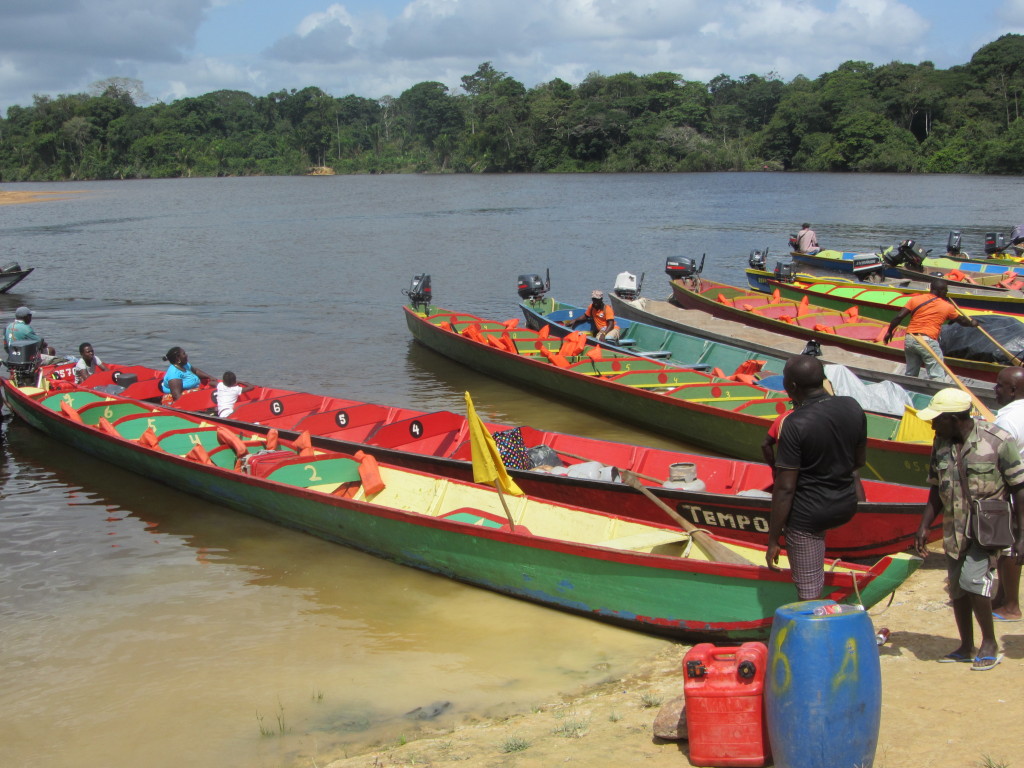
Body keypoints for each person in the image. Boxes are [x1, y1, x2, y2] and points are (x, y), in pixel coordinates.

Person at [914, 388, 1024, 670]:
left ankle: (989, 643)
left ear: (953, 418)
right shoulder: (940, 443)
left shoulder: (999, 441)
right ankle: (965, 646)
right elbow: (936, 487)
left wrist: (1021, 535)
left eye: (936, 419)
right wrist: (924, 526)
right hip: (954, 529)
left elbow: (1019, 488)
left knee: (973, 581)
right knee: (957, 588)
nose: (932, 425)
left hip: (987, 529)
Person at [766, 356, 867, 598]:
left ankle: (811, 608)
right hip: (846, 505)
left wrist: (773, 539)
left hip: (810, 515)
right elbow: (858, 462)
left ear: (791, 386)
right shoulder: (852, 406)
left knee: (809, 589)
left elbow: (785, 488)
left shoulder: (794, 424)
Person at [882, 280, 978, 381]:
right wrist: (972, 323)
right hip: (927, 341)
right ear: (940, 291)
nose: (946, 293)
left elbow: (899, 316)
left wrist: (889, 332)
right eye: (945, 291)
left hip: (910, 339)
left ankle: (907, 388)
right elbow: (962, 321)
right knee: (937, 375)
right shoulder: (947, 306)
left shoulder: (915, 299)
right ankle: (937, 389)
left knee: (910, 373)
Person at [992, 366, 1024, 622]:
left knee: (1009, 547)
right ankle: (1002, 597)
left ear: (1012, 390)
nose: (995, 390)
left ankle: (1011, 606)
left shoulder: (1007, 420)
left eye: (999, 385)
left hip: (1014, 489)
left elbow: (997, 458)